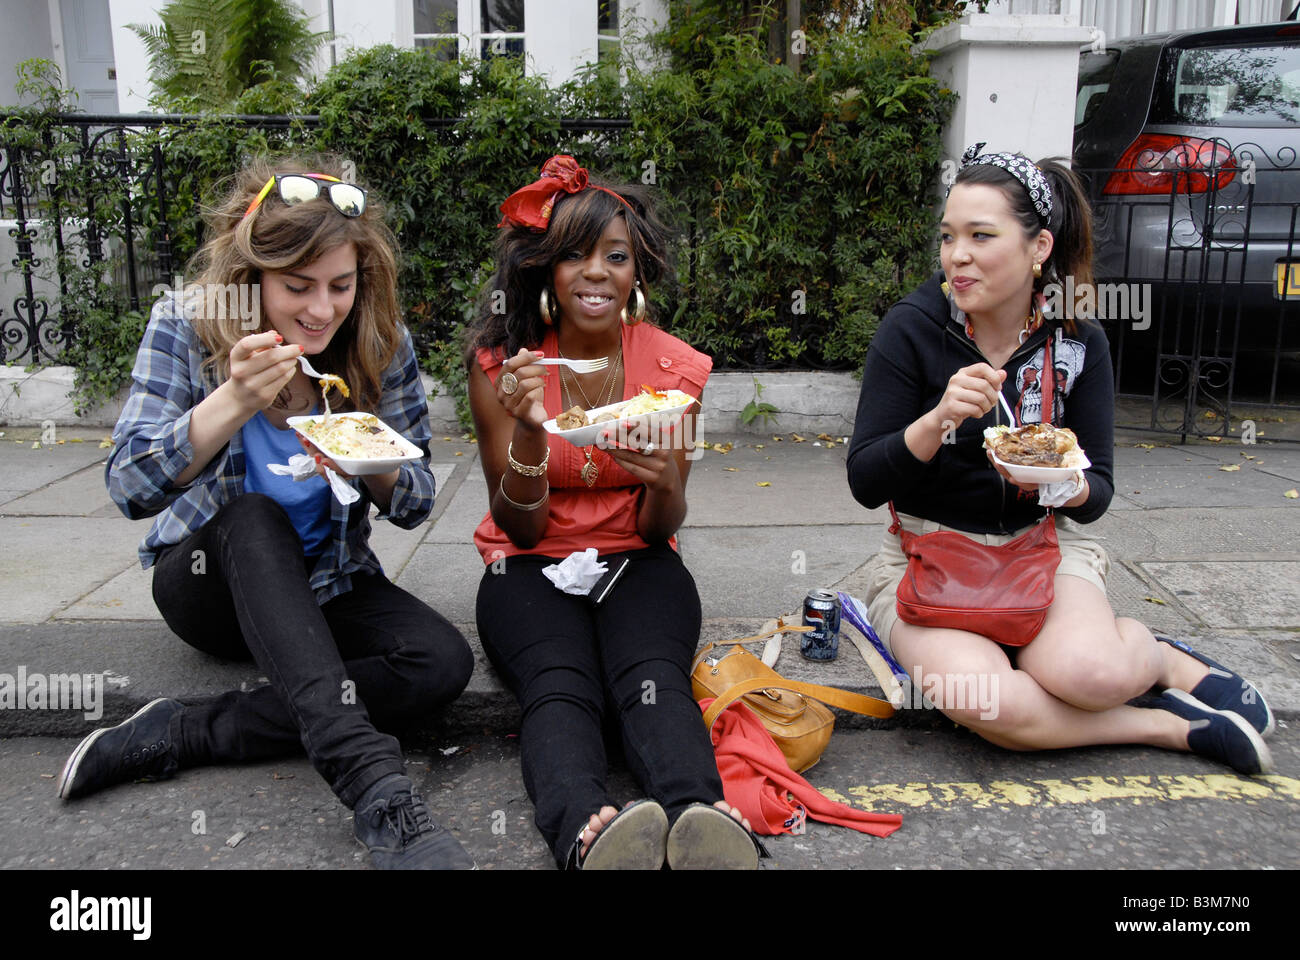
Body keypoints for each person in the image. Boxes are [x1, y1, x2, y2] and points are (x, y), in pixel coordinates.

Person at [59, 157, 476, 870]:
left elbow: (415, 501)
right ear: (252, 277)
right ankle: (375, 787)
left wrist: (364, 458)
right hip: (208, 581)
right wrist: (232, 402)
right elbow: (128, 484)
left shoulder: (380, 341)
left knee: (439, 661)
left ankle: (188, 732)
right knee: (255, 516)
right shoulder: (187, 326)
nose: (321, 308)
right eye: (297, 287)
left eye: (340, 285)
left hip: (329, 579)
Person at [846, 143, 1274, 776]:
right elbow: (864, 479)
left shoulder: (1077, 341)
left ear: (1039, 248)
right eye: (947, 236)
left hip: (1040, 544)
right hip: (926, 555)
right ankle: (1171, 728)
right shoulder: (911, 329)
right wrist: (936, 421)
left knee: (1091, 674)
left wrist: (1061, 483)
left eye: (980, 236)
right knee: (989, 702)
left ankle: (1161, 662)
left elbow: (1097, 492)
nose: (956, 255)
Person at [466, 155, 764, 869]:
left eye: (616, 256)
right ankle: (582, 832)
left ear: (636, 274)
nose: (595, 272)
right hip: (527, 563)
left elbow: (662, 528)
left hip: (639, 555)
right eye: (574, 255)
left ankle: (700, 816)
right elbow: (520, 525)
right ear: (546, 270)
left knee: (651, 673)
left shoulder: (674, 373)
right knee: (560, 685)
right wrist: (533, 430)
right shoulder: (504, 367)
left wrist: (663, 483)